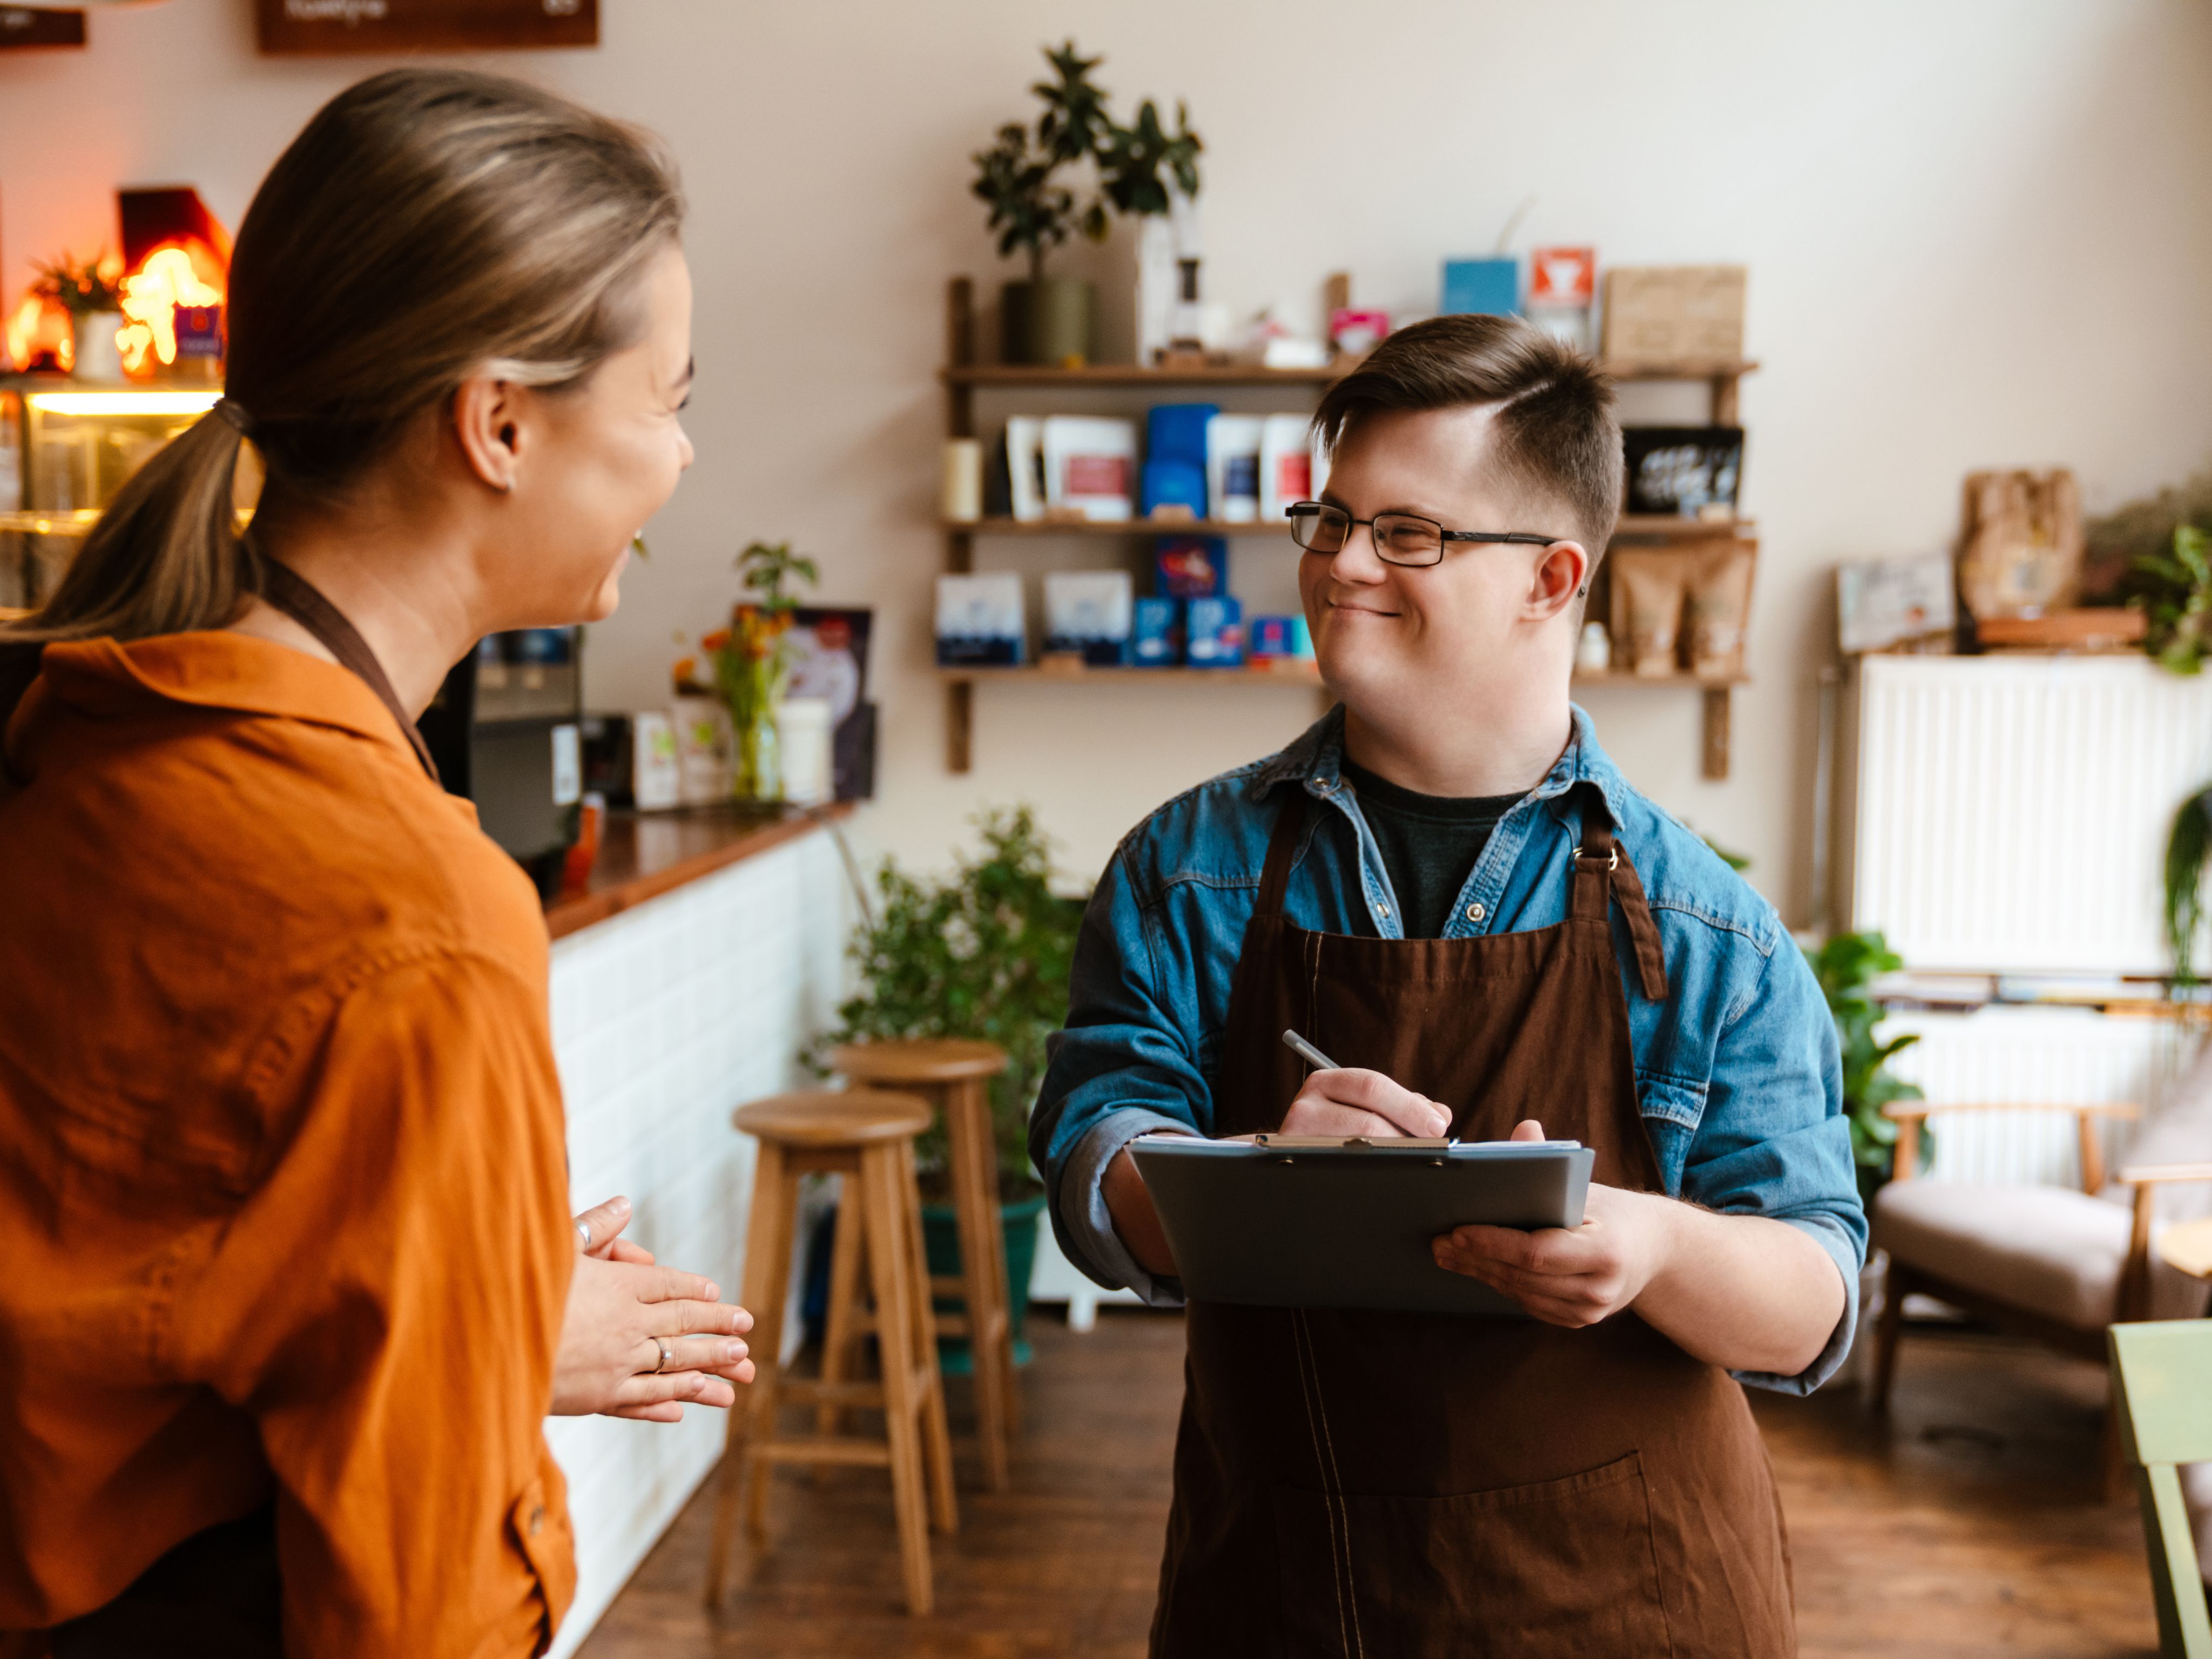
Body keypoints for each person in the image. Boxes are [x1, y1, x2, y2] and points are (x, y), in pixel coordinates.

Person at [0, 70, 754, 1657]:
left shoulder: (89, 727)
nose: (682, 456)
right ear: (499, 424)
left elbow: (128, 1282)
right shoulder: (418, 916)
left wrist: (472, 1311)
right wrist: (476, 1340)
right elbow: (419, 1609)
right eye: (666, 400)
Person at [1031, 315, 1866, 1657]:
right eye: (1329, 519)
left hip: (1629, 1609)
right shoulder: (1186, 874)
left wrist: (1653, 1247)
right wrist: (1250, 1176)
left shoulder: (1708, 929)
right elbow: (1092, 1168)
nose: (1338, 564)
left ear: (1549, 578)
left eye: (1406, 533)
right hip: (1288, 1597)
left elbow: (1811, 1300)